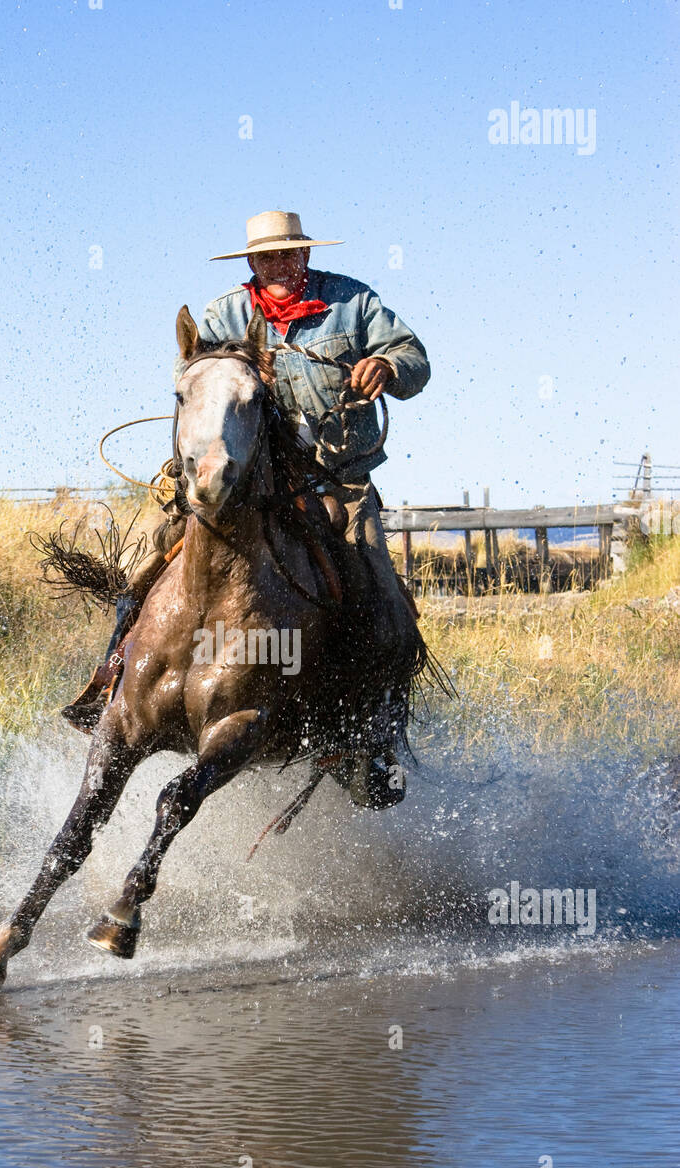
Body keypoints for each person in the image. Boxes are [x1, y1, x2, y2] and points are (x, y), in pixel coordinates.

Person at [64, 211, 430, 804]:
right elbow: (198, 388)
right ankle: (111, 680)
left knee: (378, 592)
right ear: (251, 264)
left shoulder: (354, 305)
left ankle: (371, 734)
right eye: (266, 257)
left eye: (289, 255)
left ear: (305, 257)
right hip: (248, 481)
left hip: (339, 480)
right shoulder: (223, 316)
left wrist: (387, 366)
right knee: (154, 563)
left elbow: (414, 357)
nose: (278, 265)